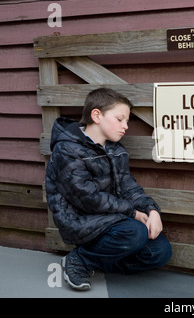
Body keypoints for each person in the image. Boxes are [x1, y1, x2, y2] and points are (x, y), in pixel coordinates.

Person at [45, 88, 172, 291]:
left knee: (160, 251)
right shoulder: (67, 150)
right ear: (96, 115)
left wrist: (151, 209)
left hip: (111, 220)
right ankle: (80, 261)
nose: (126, 126)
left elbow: (128, 186)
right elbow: (87, 198)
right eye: (120, 119)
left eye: (127, 121)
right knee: (135, 232)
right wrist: (132, 212)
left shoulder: (116, 149)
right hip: (79, 219)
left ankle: (99, 259)